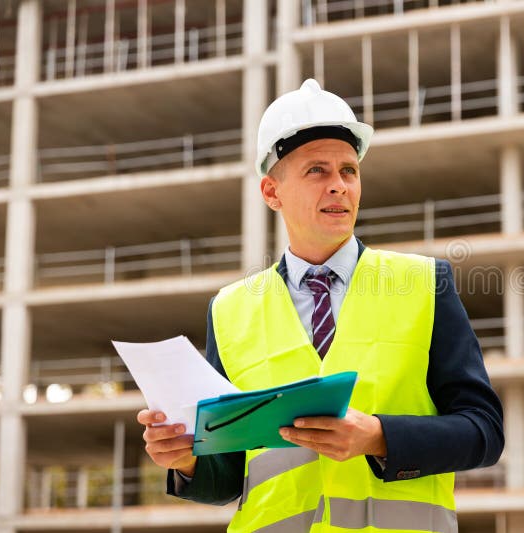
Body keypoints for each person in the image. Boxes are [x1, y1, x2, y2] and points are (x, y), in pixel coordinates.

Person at [137, 79, 504, 533]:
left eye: (349, 171)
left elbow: (484, 432)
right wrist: (186, 460)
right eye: (317, 171)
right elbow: (227, 477)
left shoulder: (425, 284)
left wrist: (378, 437)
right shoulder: (229, 311)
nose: (339, 186)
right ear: (272, 192)